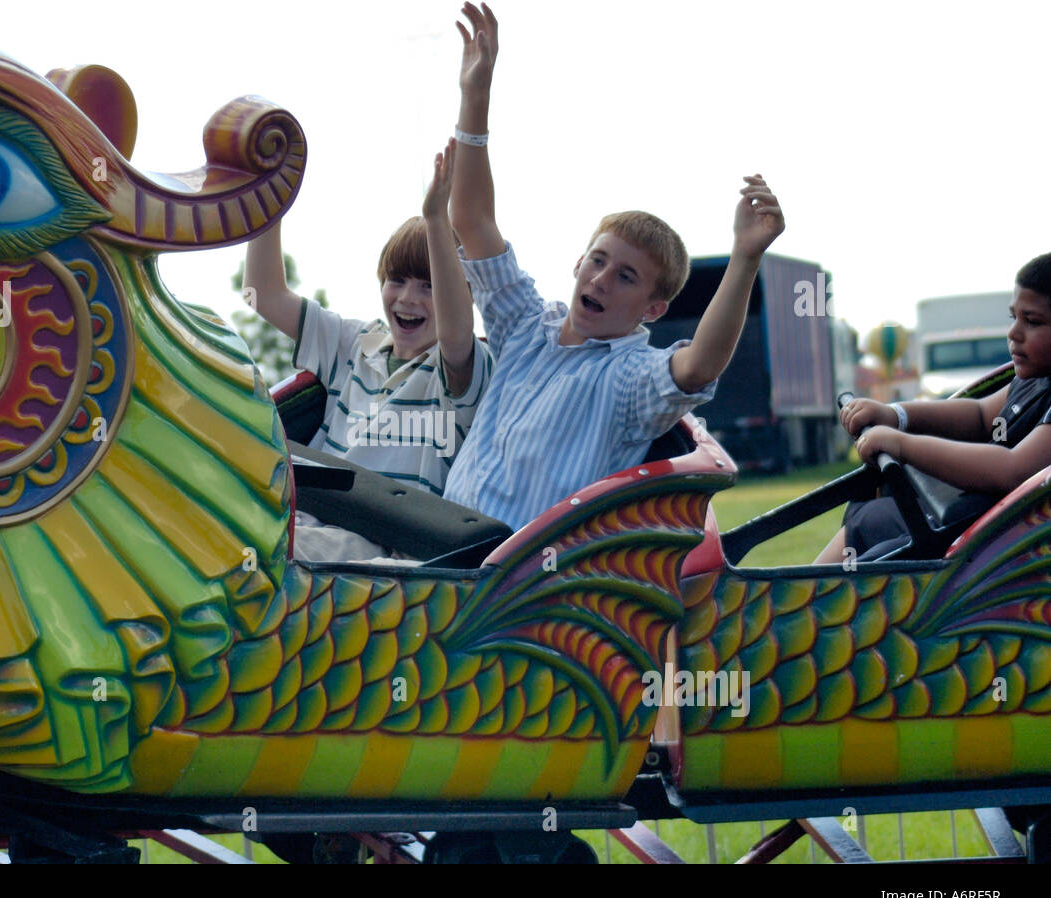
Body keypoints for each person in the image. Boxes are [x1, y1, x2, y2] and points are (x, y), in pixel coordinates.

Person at [440, 3, 786, 531]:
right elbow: (470, 218)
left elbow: (698, 366)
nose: (601, 278)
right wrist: (475, 94)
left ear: (653, 307)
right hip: (437, 555)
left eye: (625, 276)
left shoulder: (627, 380)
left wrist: (745, 257)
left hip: (517, 592)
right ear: (578, 263)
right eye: (597, 261)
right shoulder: (526, 328)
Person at [244, 140, 492, 561]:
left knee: (255, 550)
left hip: (385, 542)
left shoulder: (459, 370)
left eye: (429, 286)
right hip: (305, 513)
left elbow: (455, 332)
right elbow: (261, 295)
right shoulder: (354, 343)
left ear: (460, 295)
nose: (408, 299)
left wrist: (436, 219)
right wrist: (270, 198)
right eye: (397, 280)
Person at [816, 253, 1051, 563]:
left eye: (1032, 321)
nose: (1014, 333)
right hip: (961, 526)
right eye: (1014, 318)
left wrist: (902, 445)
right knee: (868, 519)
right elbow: (980, 416)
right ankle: (782, 608)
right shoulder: (1034, 380)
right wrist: (895, 415)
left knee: (881, 566)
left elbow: (1012, 469)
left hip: (994, 555)